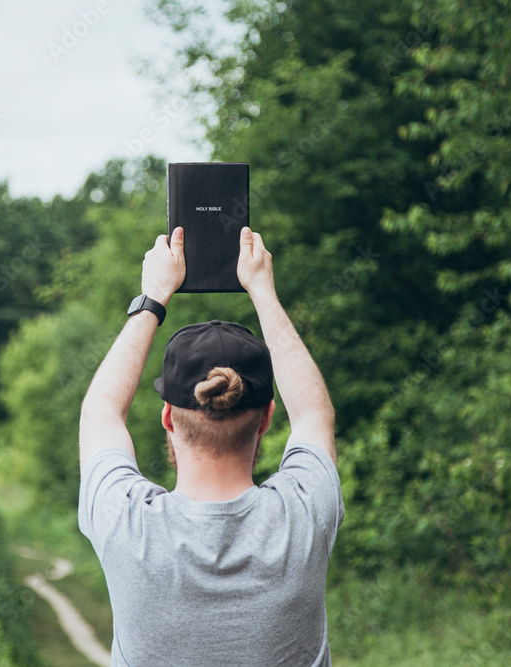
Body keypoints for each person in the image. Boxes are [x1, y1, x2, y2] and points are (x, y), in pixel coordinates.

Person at [78, 224, 345, 666]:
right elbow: (315, 413)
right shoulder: (305, 514)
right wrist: (263, 292)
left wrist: (153, 299)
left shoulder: (124, 523)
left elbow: (100, 411)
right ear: (266, 420)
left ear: (168, 418)